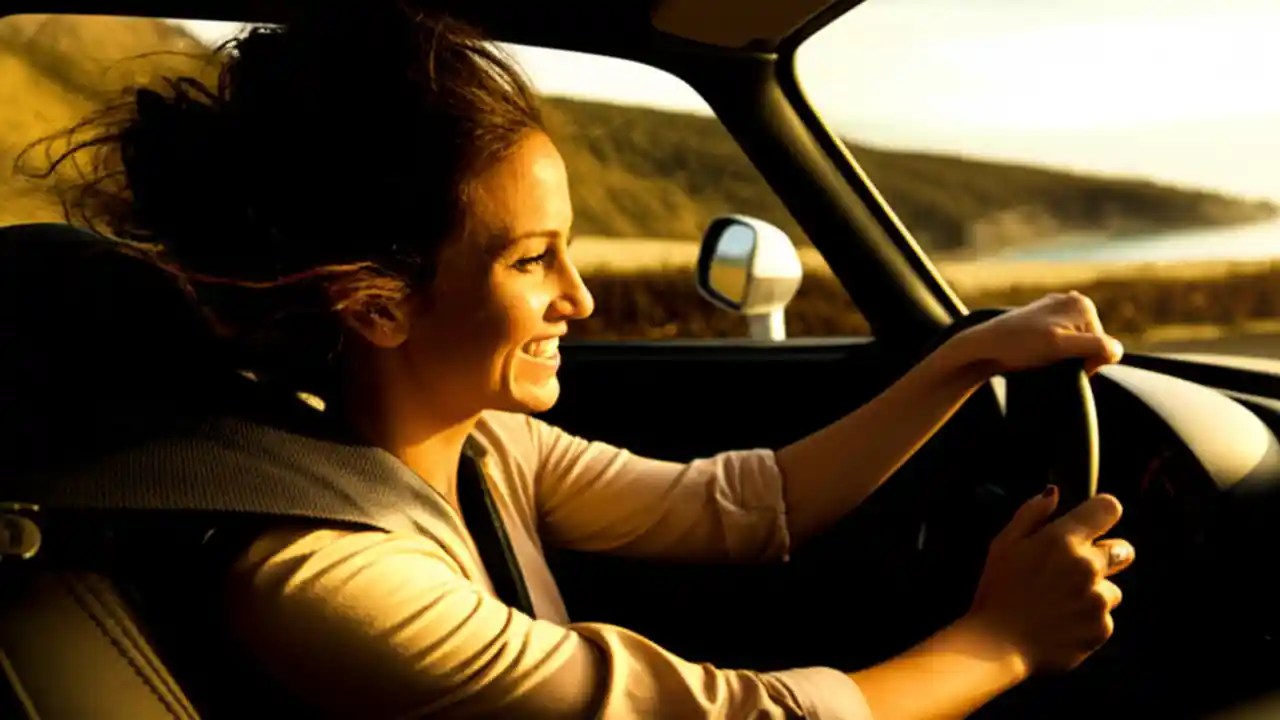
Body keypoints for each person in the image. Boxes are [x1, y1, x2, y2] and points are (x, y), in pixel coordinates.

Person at [24, 4, 1134, 718]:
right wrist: (1003, 644)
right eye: (530, 260)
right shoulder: (332, 583)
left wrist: (964, 356)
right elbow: (742, 717)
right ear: (377, 308)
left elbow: (742, 505)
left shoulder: (480, 446)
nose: (580, 298)